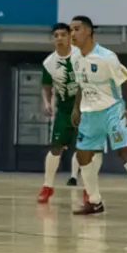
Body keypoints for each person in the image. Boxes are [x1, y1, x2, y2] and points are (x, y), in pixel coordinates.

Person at [69, 16, 127, 216]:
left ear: (88, 31)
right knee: (83, 156)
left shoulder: (107, 57)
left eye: (77, 29)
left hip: (111, 112)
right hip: (89, 115)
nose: (72, 33)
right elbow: (82, 84)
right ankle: (95, 202)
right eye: (70, 29)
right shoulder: (75, 58)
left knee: (125, 152)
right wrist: (76, 108)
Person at [36, 23, 81, 204]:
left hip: (85, 108)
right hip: (63, 111)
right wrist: (47, 103)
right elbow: (46, 87)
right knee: (56, 147)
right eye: (56, 35)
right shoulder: (49, 63)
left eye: (63, 35)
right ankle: (47, 186)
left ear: (70, 37)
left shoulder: (81, 55)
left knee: (86, 150)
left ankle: (89, 190)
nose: (60, 38)